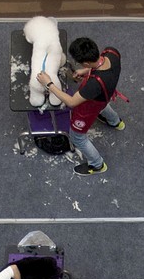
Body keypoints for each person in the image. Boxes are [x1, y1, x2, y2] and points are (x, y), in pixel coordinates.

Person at [36, 37, 124, 177]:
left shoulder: (93, 85)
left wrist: (49, 84)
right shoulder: (111, 52)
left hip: (91, 105)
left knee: (77, 137)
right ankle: (115, 122)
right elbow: (100, 64)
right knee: (102, 105)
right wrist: (86, 70)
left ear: (87, 62)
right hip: (105, 94)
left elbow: (71, 102)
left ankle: (97, 165)